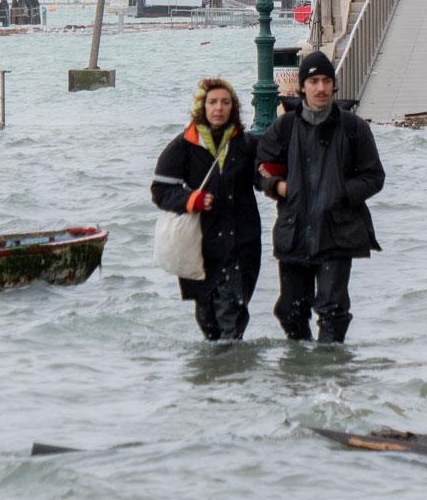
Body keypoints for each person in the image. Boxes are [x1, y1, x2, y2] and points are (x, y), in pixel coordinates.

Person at [256, 50, 385, 343]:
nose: (321, 88)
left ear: (334, 85)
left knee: (333, 311)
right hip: (294, 230)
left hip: (337, 231)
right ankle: (301, 374)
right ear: (302, 86)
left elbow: (374, 176)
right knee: (290, 311)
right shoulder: (284, 127)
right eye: (314, 81)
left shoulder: (354, 128)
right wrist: (276, 186)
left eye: (326, 80)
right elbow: (260, 168)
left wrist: (341, 192)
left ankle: (330, 374)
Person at [151, 78, 263, 341]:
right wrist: (192, 200)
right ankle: (216, 376)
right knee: (207, 319)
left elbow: (263, 179)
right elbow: (160, 191)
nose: (219, 108)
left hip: (241, 243)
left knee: (232, 317)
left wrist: (277, 179)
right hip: (199, 247)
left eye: (225, 102)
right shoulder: (184, 145)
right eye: (212, 102)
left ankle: (230, 373)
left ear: (233, 108)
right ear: (202, 107)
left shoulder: (247, 145)